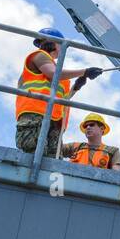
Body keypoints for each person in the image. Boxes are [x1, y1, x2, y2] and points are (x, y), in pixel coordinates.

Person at [15, 27, 103, 158]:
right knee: (32, 154)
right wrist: (84, 71)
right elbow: (53, 74)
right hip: (35, 115)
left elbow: (61, 98)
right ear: (53, 42)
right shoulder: (40, 56)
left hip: (53, 119)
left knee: (52, 160)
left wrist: (76, 87)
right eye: (61, 44)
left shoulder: (53, 65)